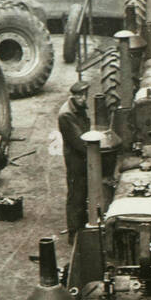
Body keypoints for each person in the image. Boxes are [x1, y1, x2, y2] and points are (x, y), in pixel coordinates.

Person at [57, 80, 91, 236]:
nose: (84, 99)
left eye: (85, 95)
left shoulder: (78, 108)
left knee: (82, 193)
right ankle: (74, 234)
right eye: (81, 96)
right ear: (74, 96)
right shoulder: (67, 115)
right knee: (76, 196)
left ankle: (81, 228)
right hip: (75, 160)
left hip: (81, 158)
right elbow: (79, 142)